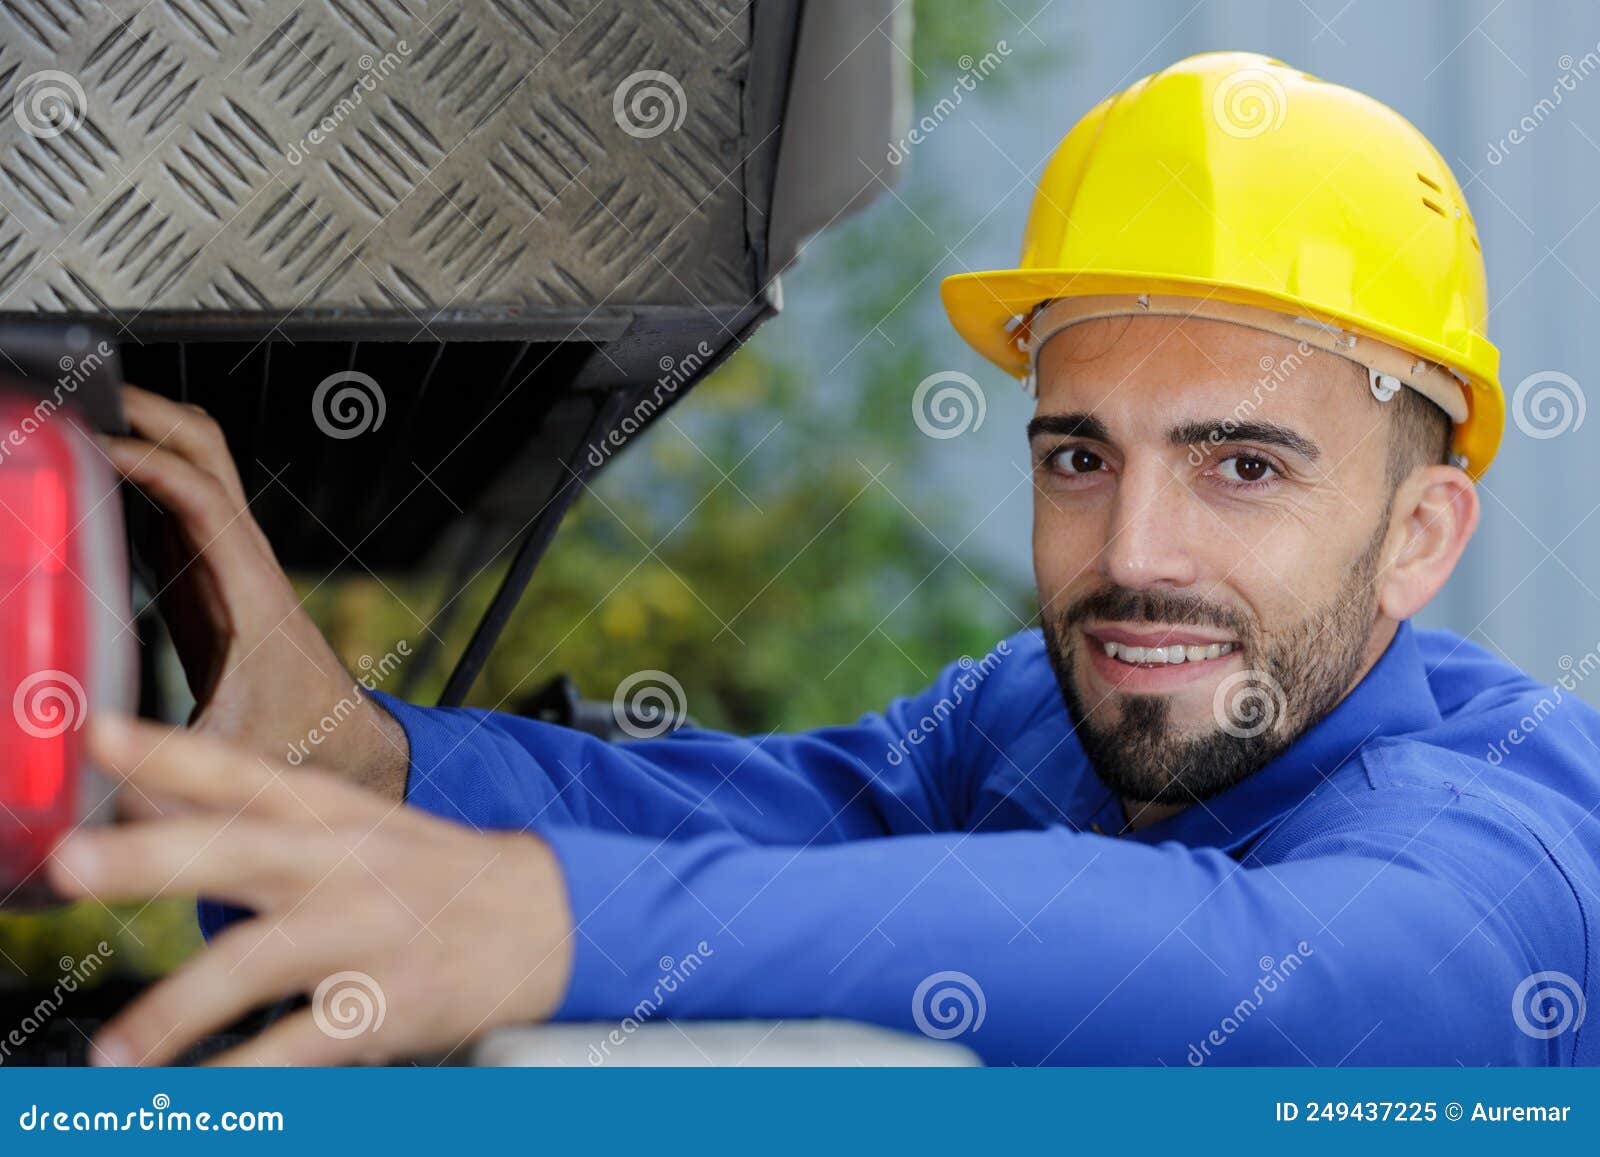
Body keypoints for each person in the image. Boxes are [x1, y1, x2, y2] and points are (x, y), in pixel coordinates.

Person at [51, 51, 1599, 1066]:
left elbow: (1284, 978)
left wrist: (550, 919)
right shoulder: (1030, 726)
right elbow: (767, 825)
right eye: (1079, 457)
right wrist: (363, 754)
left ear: (1418, 537)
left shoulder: (1512, 849)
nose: (1133, 553)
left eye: (1242, 467)